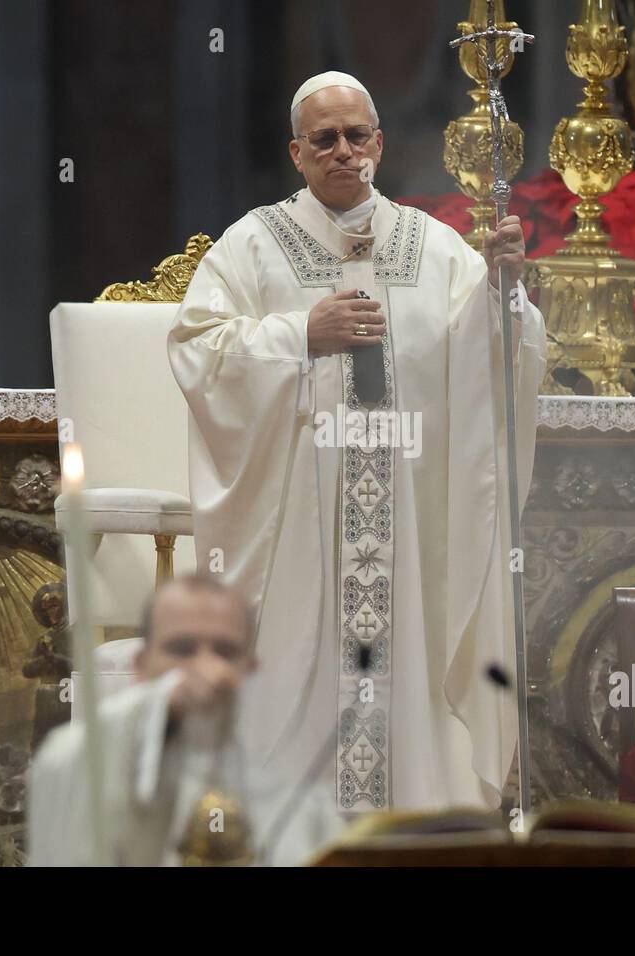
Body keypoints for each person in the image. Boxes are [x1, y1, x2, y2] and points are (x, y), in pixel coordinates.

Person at [168, 71, 546, 815]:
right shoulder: (254, 244)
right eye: (324, 140)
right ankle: (290, 832)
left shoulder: (435, 248)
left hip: (410, 518)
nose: (343, 152)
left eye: (355, 136)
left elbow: (495, 359)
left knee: (408, 664)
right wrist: (300, 333)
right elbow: (197, 349)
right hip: (298, 521)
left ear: (379, 143)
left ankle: (418, 824)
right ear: (297, 154)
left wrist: (505, 291)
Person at [27, 574, 343, 866]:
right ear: (141, 664)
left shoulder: (296, 785)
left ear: (249, 668)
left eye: (225, 651)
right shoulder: (81, 760)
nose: (205, 668)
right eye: (181, 649)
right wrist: (166, 710)